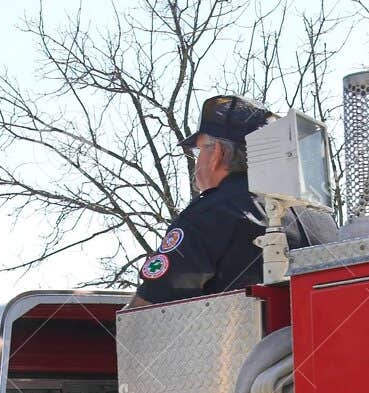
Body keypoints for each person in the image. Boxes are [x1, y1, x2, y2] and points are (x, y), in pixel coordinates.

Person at [125, 95, 338, 309]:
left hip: (239, 342)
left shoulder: (209, 213)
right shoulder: (320, 216)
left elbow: (146, 309)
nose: (197, 161)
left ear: (217, 152)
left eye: (198, 151)